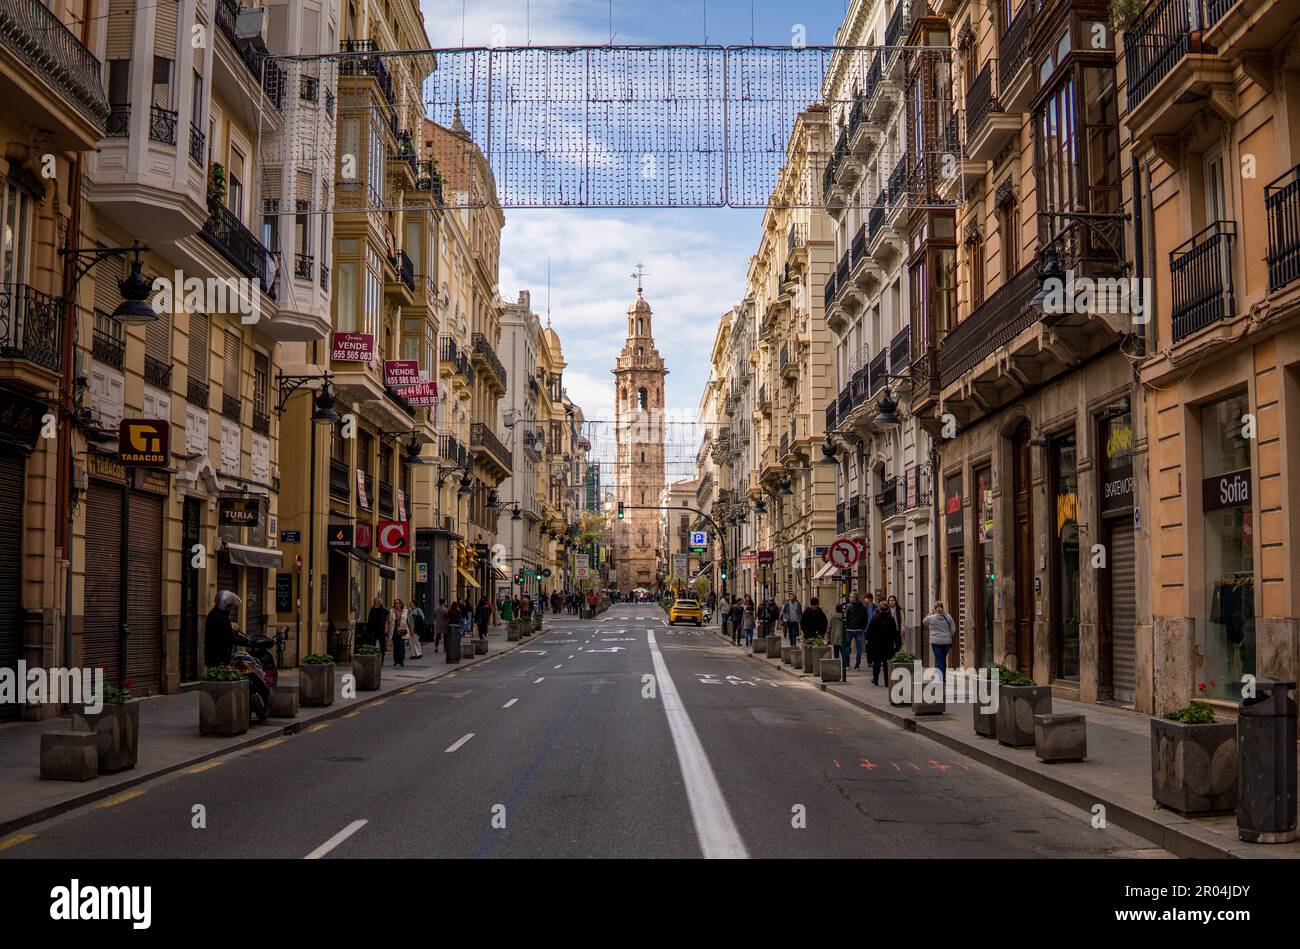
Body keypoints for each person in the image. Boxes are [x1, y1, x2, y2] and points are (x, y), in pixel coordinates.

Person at [866, 602, 901, 687]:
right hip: (888, 646)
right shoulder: (891, 619)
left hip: (876, 646)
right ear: (887, 609)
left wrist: (870, 644)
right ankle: (886, 682)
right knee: (886, 664)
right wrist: (897, 645)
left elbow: (869, 632)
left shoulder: (874, 619)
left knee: (876, 664)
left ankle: (876, 680)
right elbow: (895, 633)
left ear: (879, 609)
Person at [204, 590, 239, 670]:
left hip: (212, 657)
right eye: (229, 607)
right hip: (220, 658)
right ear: (224, 604)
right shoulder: (222, 618)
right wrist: (247, 642)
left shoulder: (212, 614)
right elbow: (229, 637)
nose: (230, 610)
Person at [923, 601, 957, 680]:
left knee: (939, 660)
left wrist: (930, 613)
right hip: (947, 642)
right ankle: (943, 677)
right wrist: (948, 636)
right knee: (943, 659)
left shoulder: (932, 617)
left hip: (936, 642)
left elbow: (924, 621)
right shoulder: (948, 616)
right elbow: (953, 629)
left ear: (934, 609)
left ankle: (941, 678)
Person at [842, 592, 869, 671]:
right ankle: (857, 665)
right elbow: (865, 619)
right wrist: (863, 628)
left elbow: (845, 618)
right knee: (859, 648)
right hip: (859, 630)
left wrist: (846, 626)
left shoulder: (848, 606)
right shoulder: (863, 607)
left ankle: (847, 664)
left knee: (847, 647)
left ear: (855, 598)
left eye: (851, 597)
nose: (850, 598)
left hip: (849, 630)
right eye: (850, 597)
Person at [366, 596, 389, 664]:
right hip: (373, 629)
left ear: (380, 603)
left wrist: (386, 628)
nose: (375, 603)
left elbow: (387, 621)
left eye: (376, 602)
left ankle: (382, 658)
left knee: (382, 644)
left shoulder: (385, 610)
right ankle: (372, 658)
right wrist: (368, 629)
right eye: (374, 602)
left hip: (381, 630)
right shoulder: (372, 609)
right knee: (372, 643)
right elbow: (369, 619)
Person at [827, 603, 847, 678]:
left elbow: (829, 628)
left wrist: (828, 636)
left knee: (836, 653)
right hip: (842, 638)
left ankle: (836, 667)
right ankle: (844, 667)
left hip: (834, 637)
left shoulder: (833, 617)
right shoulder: (844, 617)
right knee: (843, 653)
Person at [390, 598, 408, 667]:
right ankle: (395, 661)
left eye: (397, 603)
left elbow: (408, 621)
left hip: (402, 629)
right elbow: (388, 620)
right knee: (395, 646)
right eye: (395, 603)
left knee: (402, 646)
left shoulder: (405, 611)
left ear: (400, 604)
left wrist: (411, 631)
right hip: (394, 630)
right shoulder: (392, 611)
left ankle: (401, 661)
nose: (396, 604)